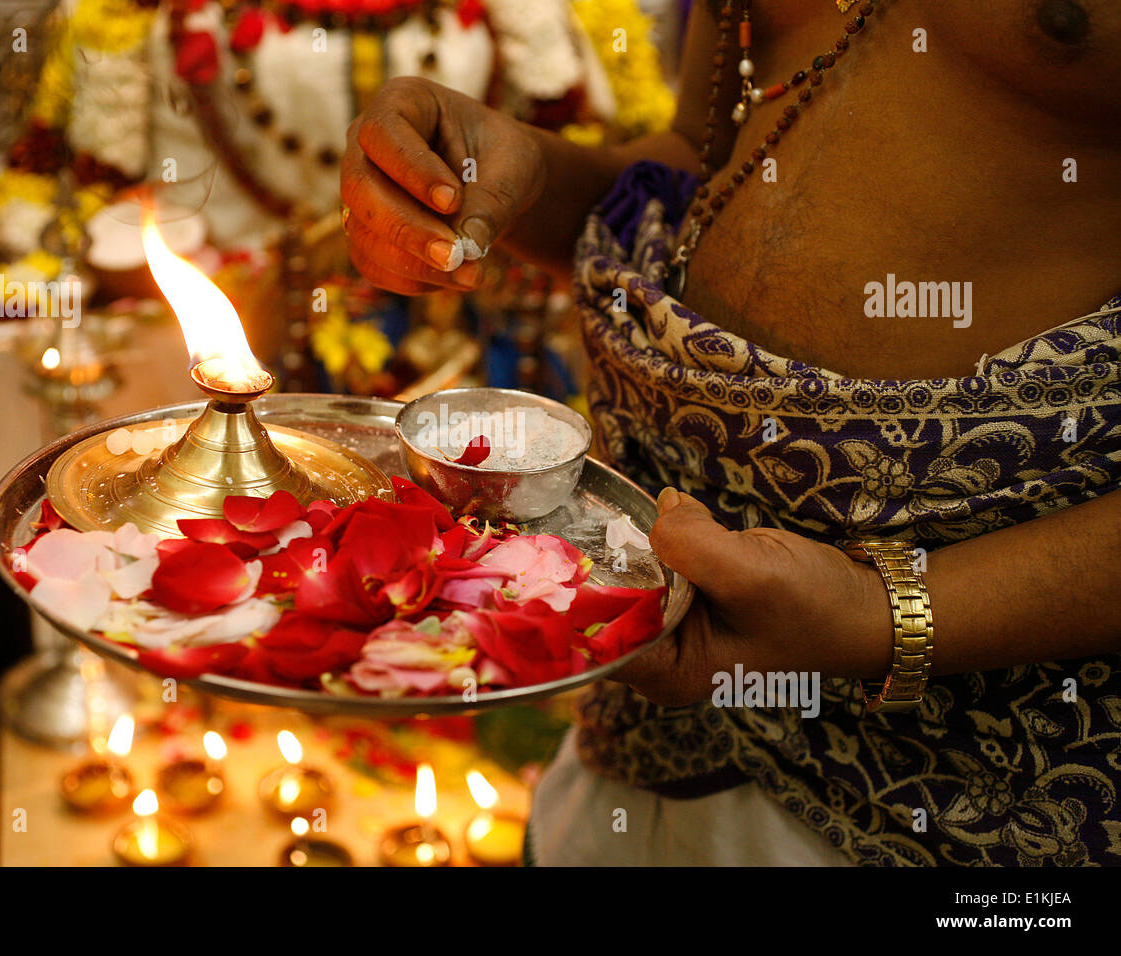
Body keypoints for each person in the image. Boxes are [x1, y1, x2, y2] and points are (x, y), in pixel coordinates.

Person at [338, 0, 1121, 865]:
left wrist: (885, 617)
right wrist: (516, 175)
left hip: (973, 800)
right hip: (632, 753)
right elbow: (707, 169)